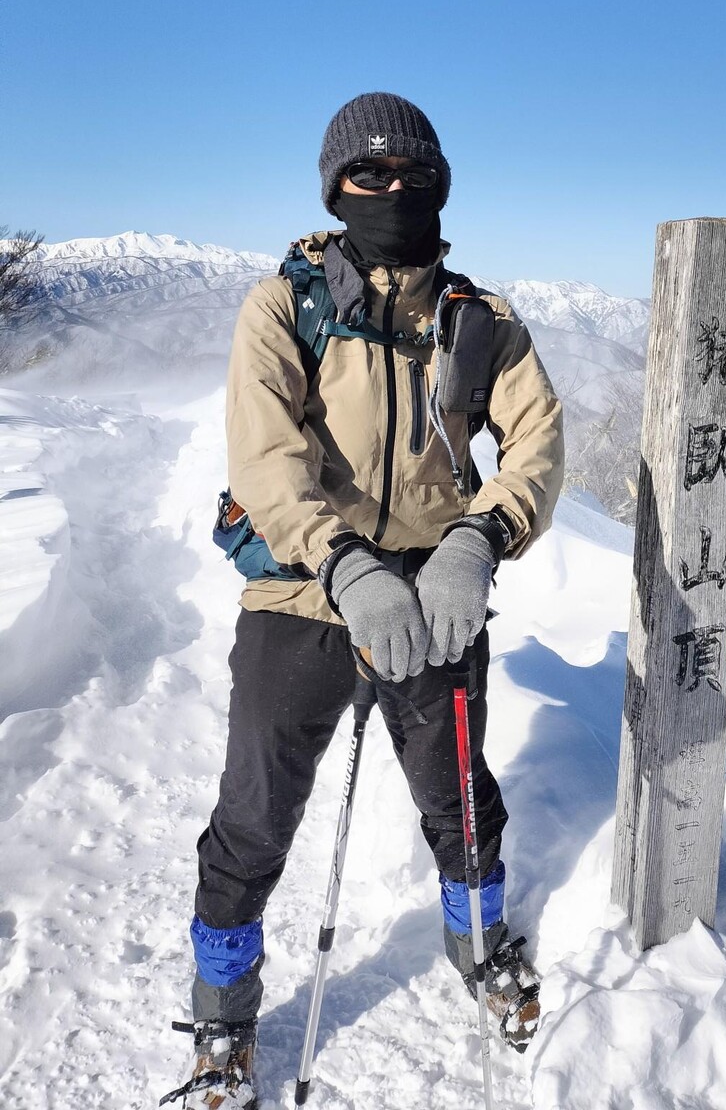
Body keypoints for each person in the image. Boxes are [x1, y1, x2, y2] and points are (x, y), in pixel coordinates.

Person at [165, 93, 564, 1108]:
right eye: (368, 174)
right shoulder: (284, 305)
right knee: (254, 818)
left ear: (441, 184)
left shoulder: (478, 321)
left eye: (413, 173)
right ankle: (222, 1013)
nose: (393, 189)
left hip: (436, 598)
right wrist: (341, 561)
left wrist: (479, 538)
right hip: (303, 594)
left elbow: (537, 444)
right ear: (334, 188)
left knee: (460, 800)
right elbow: (264, 456)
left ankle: (478, 946)